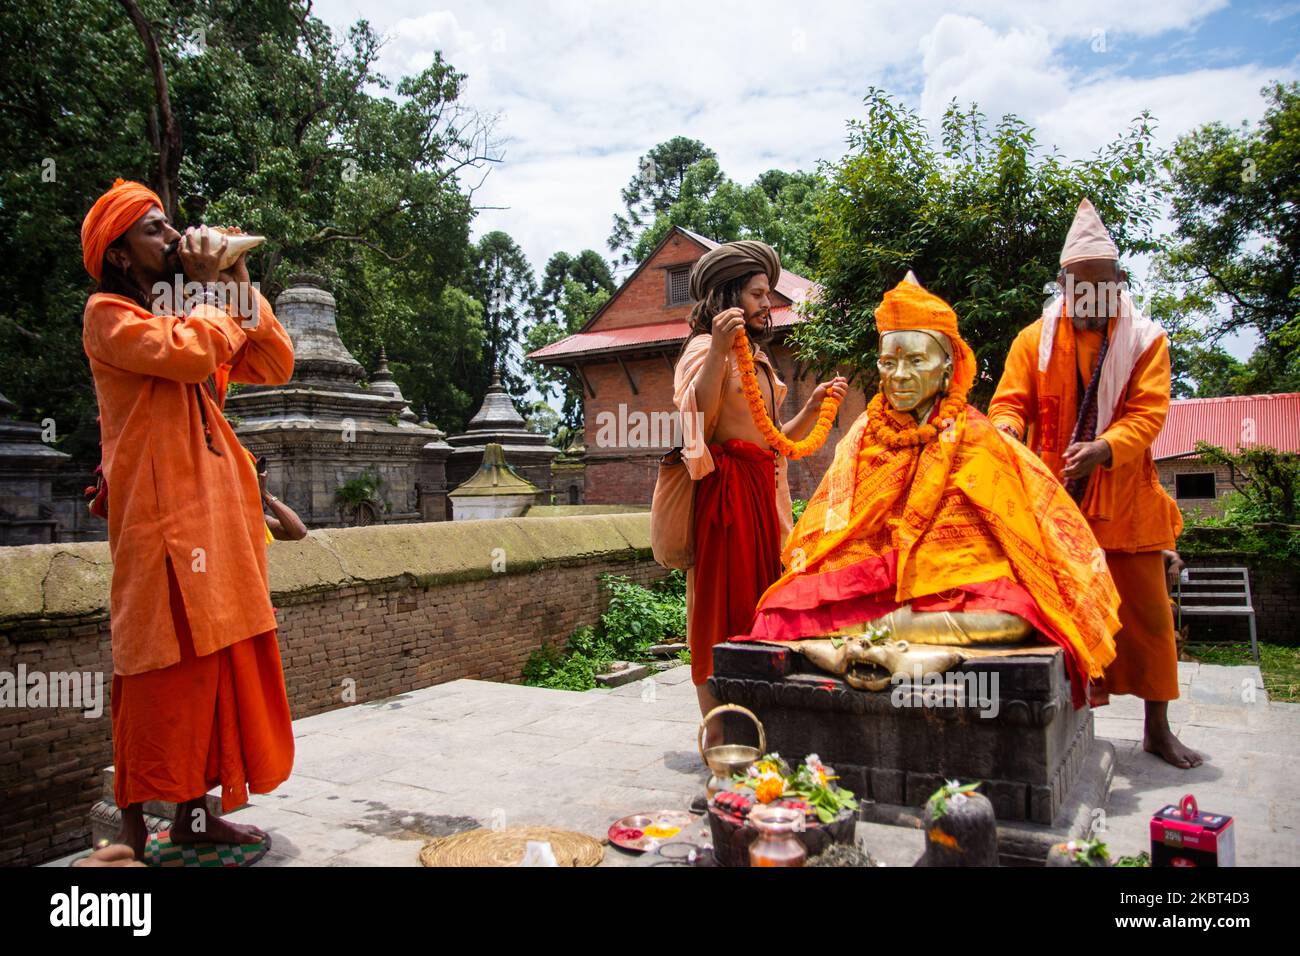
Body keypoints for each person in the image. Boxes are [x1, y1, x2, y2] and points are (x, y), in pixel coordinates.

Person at [741, 274, 1120, 702]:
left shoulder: (973, 433)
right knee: (780, 607)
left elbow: (1007, 526)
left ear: (946, 369)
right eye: (889, 363)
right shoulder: (863, 434)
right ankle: (885, 637)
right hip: (868, 578)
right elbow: (833, 526)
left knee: (1011, 619)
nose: (899, 376)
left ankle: (866, 638)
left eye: (916, 362)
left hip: (954, 576)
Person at [81, 179, 298, 859]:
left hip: (214, 522)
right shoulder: (109, 315)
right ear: (119, 255)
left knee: (215, 667)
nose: (172, 238)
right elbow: (191, 353)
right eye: (152, 230)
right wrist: (208, 289)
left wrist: (233, 277)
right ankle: (134, 831)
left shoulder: (188, 305)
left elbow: (275, 359)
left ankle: (196, 819)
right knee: (159, 671)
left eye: (170, 224)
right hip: (156, 526)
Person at [988, 198, 1200, 768]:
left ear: (1118, 282)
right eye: (1076, 288)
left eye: (1098, 287)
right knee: (1059, 623)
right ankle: (1065, 727)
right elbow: (1010, 402)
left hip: (1125, 502)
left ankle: (1158, 727)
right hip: (1054, 503)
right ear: (1062, 284)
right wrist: (1006, 429)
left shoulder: (1146, 339)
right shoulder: (1033, 339)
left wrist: (1105, 448)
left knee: (1149, 620)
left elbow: (1148, 414)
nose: (1086, 299)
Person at [672, 240, 846, 737]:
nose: (766, 304)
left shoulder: (759, 359)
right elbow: (697, 426)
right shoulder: (705, 350)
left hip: (764, 498)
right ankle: (721, 740)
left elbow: (770, 440)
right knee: (717, 619)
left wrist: (811, 409)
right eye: (755, 294)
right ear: (727, 297)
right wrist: (719, 352)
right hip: (724, 501)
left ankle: (761, 730)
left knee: (761, 611)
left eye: (767, 294)